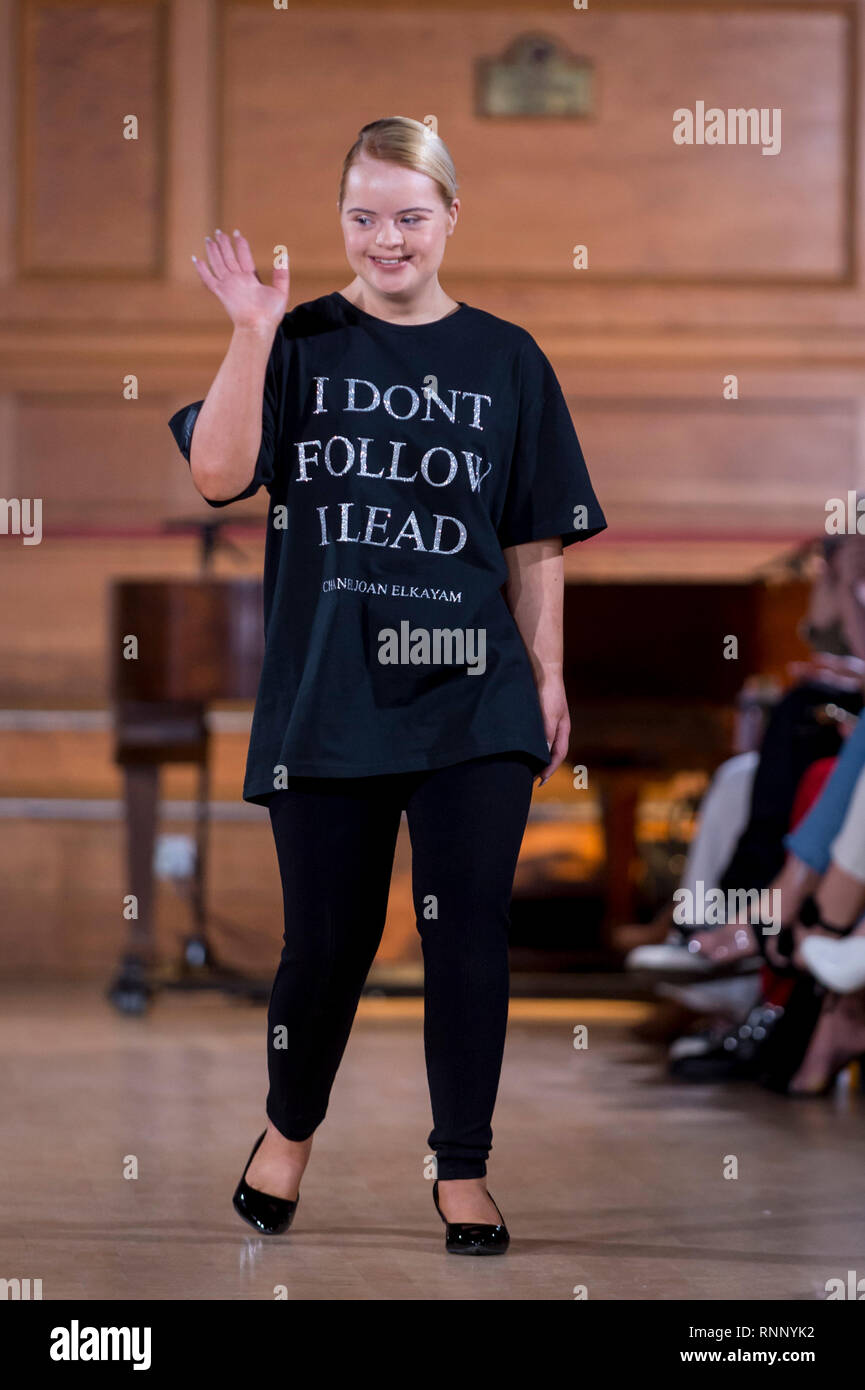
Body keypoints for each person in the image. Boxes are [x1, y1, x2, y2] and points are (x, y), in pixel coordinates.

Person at [167, 116, 607, 1253]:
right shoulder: (297, 338)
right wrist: (250, 333)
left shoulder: (509, 358)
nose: (386, 238)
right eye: (363, 217)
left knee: (467, 933)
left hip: (473, 687)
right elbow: (218, 474)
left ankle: (461, 1168)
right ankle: (286, 1133)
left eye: (409, 216)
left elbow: (534, 541)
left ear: (451, 217)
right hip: (330, 687)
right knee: (326, 942)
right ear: (341, 223)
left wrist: (547, 674)